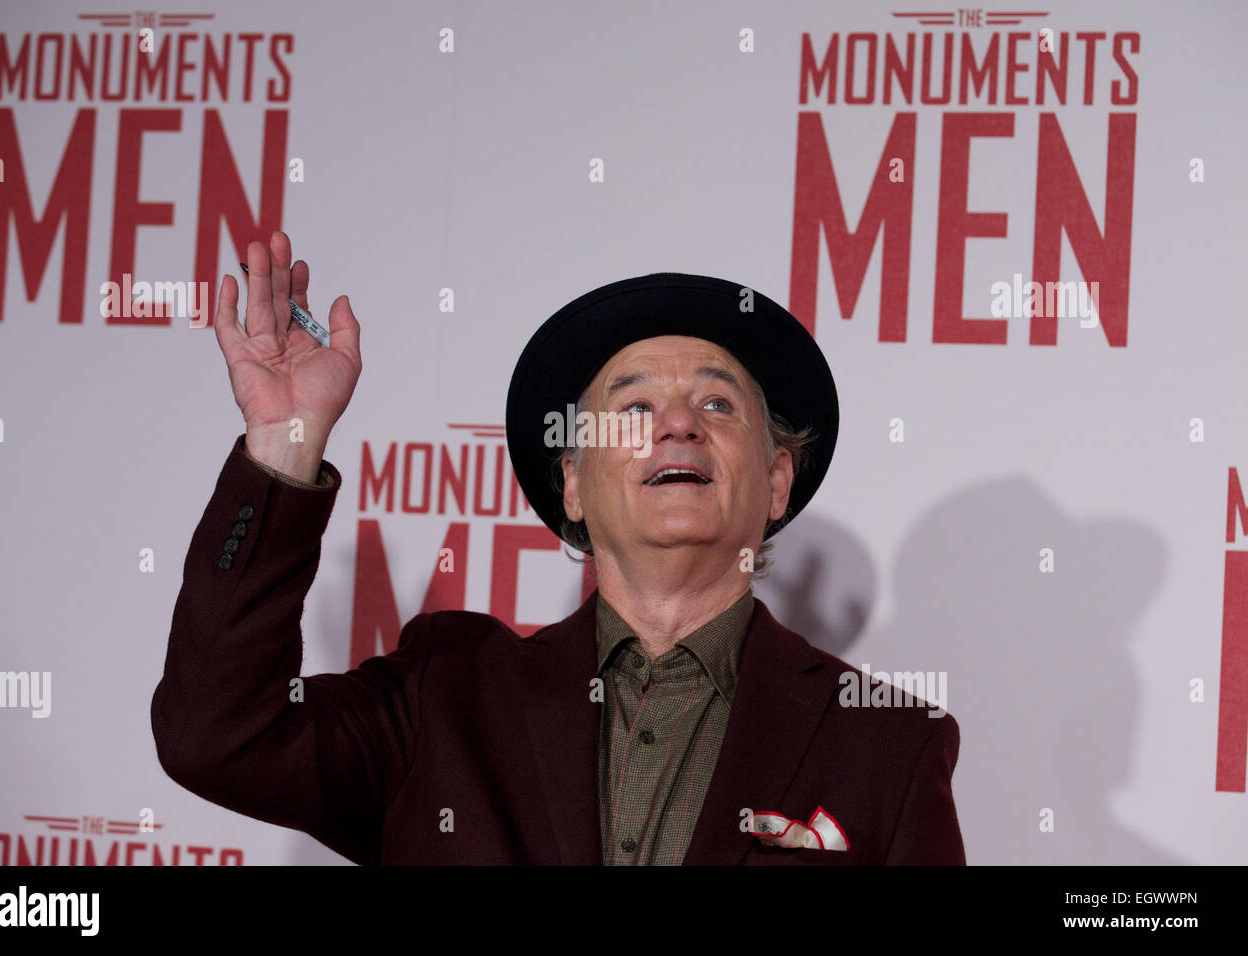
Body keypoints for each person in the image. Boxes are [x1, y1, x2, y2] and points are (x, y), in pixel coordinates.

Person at [151, 230, 965, 865]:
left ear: (778, 478)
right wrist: (286, 442)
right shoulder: (445, 697)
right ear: (572, 481)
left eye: (717, 404)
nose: (678, 423)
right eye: (634, 405)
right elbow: (220, 736)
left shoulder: (887, 745)